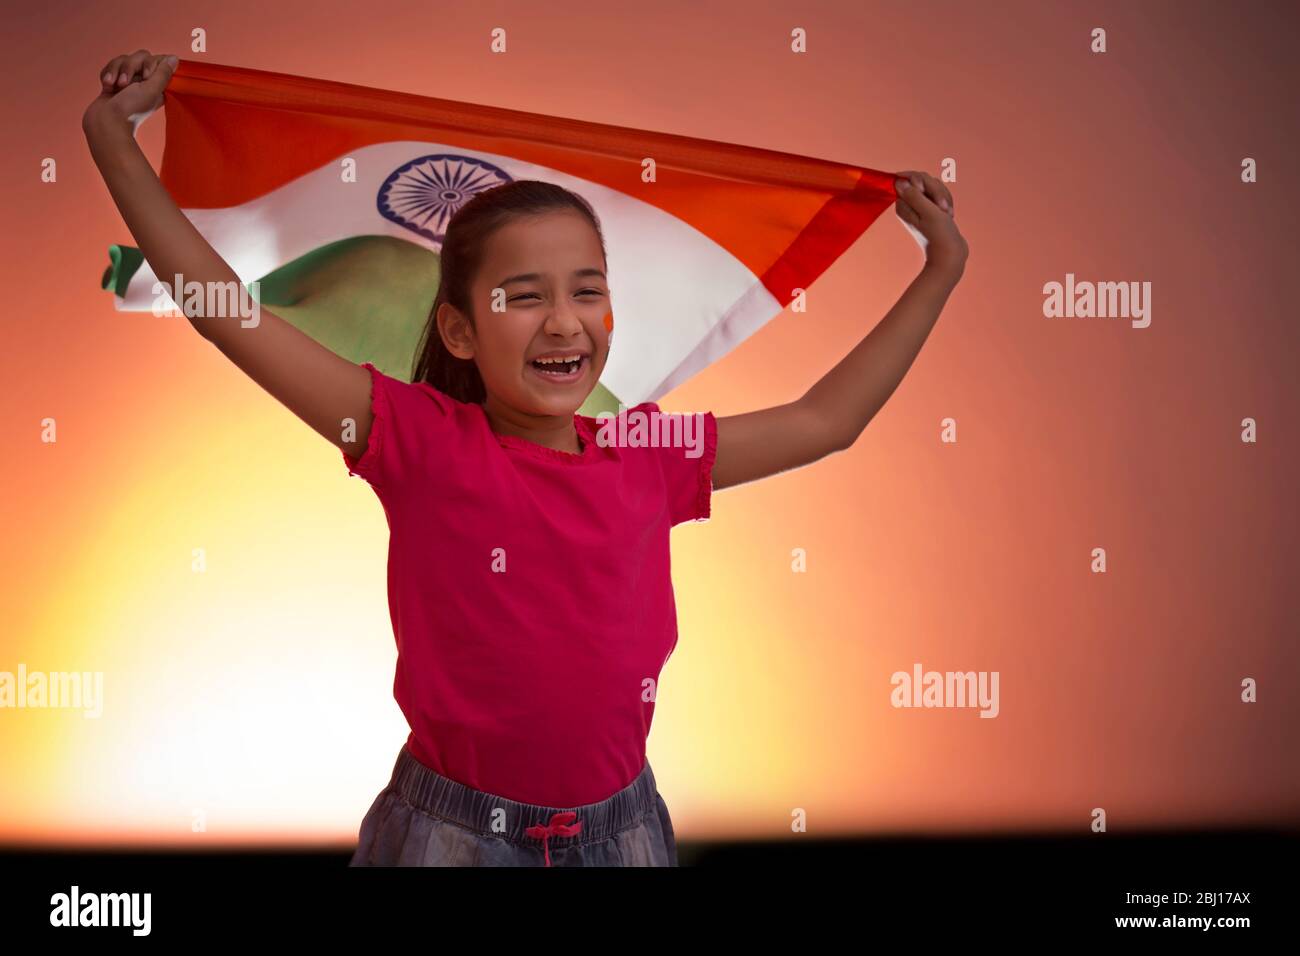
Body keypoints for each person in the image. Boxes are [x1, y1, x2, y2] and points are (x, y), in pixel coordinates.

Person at [83, 49, 969, 866]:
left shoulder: (647, 450)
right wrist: (114, 142)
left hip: (624, 835)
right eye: (523, 296)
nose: (562, 320)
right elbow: (219, 310)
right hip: (452, 837)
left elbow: (826, 419)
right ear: (459, 330)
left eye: (588, 291)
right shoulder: (417, 440)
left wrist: (939, 269)